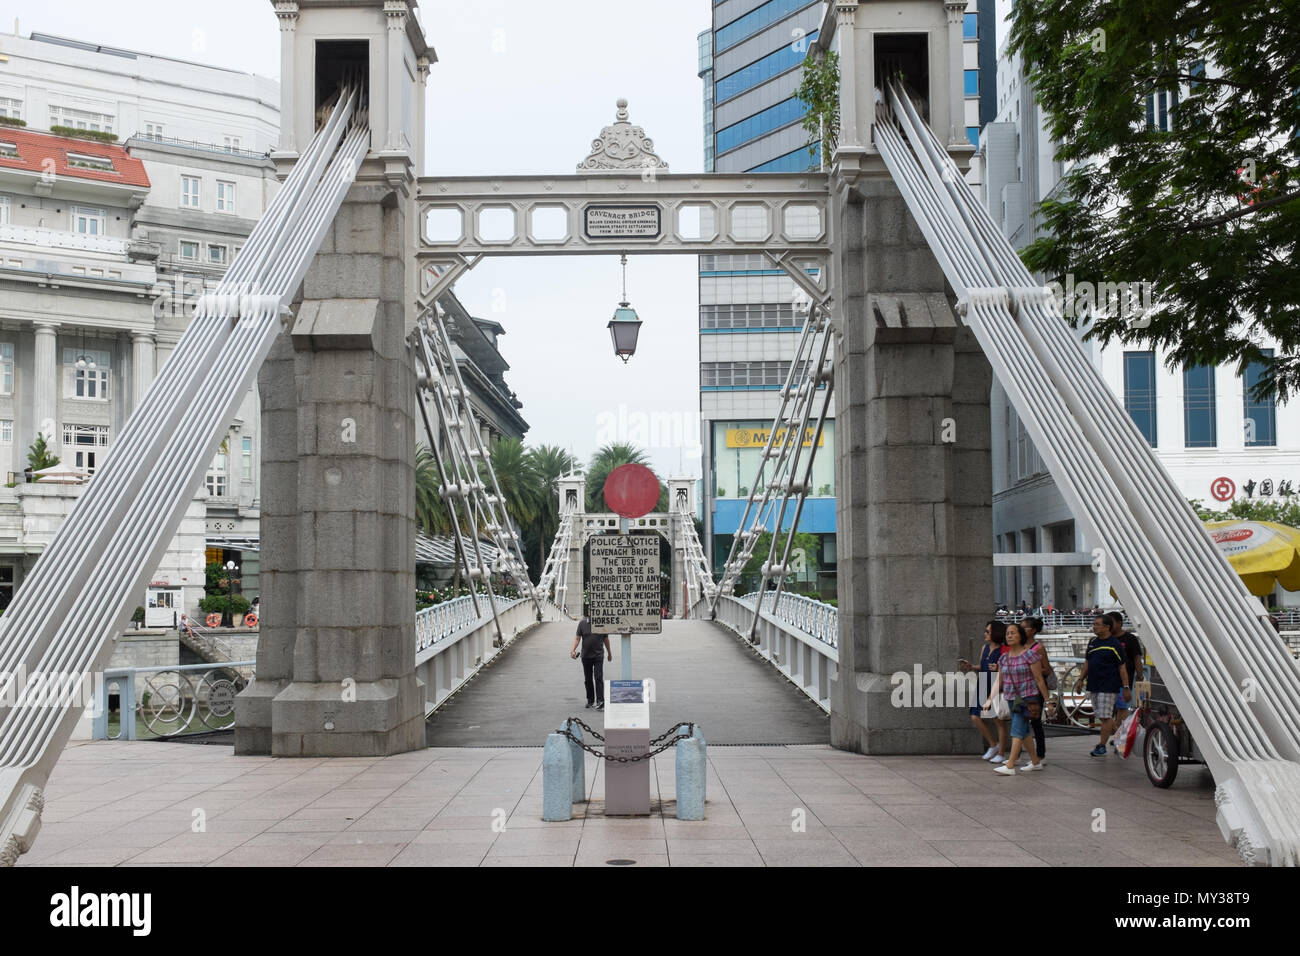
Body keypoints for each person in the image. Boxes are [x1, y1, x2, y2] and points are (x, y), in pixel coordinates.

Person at [982, 621, 1052, 774]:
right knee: (1024, 731)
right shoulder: (1004, 658)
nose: (1009, 636)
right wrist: (989, 699)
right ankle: (1035, 762)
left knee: (1017, 729)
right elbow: (999, 681)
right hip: (1011, 697)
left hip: (1028, 697)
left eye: (1013, 633)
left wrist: (1047, 700)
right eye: (1007, 633)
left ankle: (1010, 765)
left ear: (1021, 635)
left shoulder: (1030, 655)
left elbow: (1039, 679)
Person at [1080, 614, 1129, 756]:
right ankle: (1121, 737)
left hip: (1109, 685)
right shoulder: (1092, 642)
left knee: (1106, 717)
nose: (1094, 627)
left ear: (1107, 627)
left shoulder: (1115, 645)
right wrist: (1080, 679)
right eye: (1094, 624)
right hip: (1093, 684)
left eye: (1097, 624)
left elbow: (1122, 667)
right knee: (1102, 716)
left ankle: (1101, 746)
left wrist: (1125, 688)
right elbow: (1087, 663)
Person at [959, 620, 1007, 761]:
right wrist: (971, 666)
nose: (985, 634)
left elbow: (1006, 668)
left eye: (988, 631)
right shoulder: (984, 648)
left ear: (996, 633)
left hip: (996, 684)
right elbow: (982, 666)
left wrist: (997, 669)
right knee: (975, 715)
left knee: (998, 720)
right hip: (983, 682)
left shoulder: (1003, 650)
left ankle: (1001, 753)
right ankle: (993, 744)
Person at [1106, 611, 1143, 735]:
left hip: (1124, 680)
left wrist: (1140, 675)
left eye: (1111, 622)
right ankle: (1117, 732)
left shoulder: (1130, 639)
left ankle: (1118, 734)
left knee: (1122, 708)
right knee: (1106, 710)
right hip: (1106, 679)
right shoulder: (1105, 639)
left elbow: (1136, 658)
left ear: (1120, 623)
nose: (1109, 625)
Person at [1020, 615, 1051, 763]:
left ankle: (1040, 754)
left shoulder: (1038, 648)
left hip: (1035, 689)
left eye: (1023, 627)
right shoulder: (1019, 647)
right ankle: (1018, 753)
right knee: (1020, 720)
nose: (1020, 630)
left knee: (1036, 721)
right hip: (1022, 688)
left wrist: (1033, 669)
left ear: (1032, 631)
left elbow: (1047, 670)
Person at [569, 610, 612, 710]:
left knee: (598, 677)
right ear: (589, 612)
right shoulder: (582, 623)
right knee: (588, 679)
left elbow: (606, 639)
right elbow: (577, 638)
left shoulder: (602, 623)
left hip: (598, 655)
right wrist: (572, 650)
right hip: (586, 656)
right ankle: (590, 700)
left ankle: (600, 700)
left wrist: (609, 653)